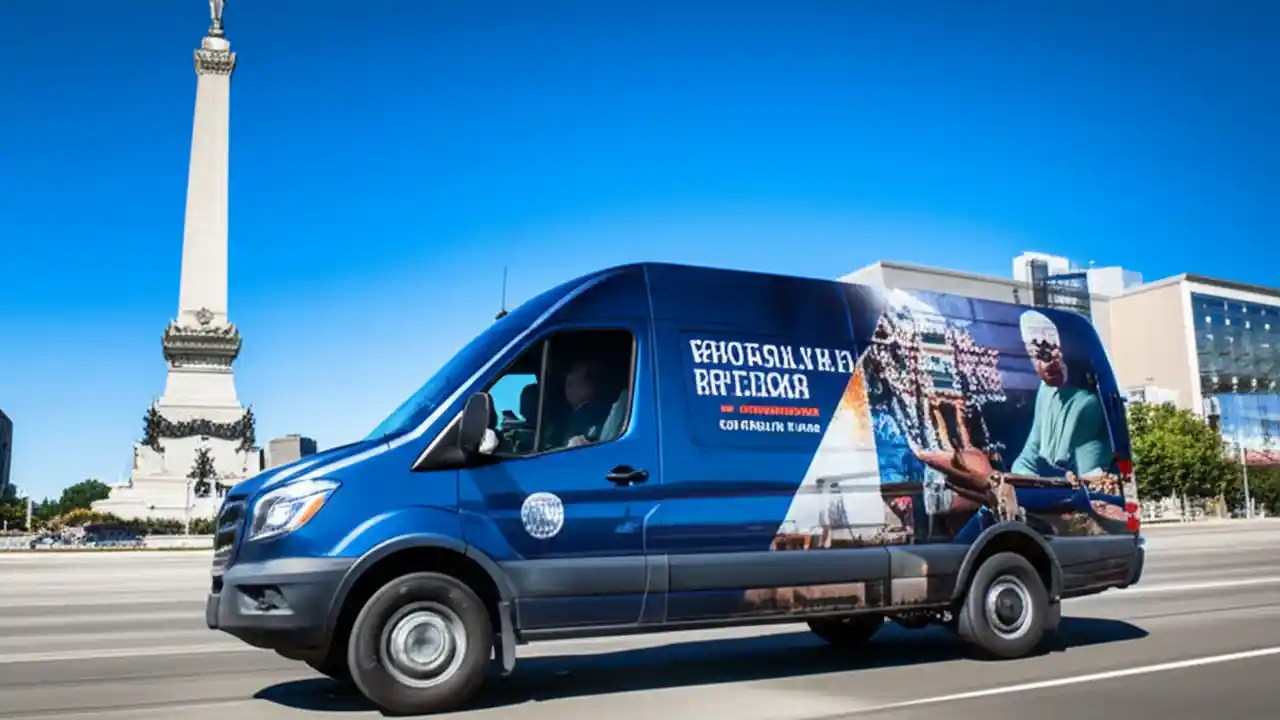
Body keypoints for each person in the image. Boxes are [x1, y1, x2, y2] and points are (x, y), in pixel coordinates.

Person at [1008, 310, 1111, 479]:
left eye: (1051, 351)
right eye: (1036, 355)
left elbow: (1086, 473)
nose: (1045, 364)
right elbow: (1030, 455)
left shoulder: (1087, 403)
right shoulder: (1046, 390)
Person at [556, 360, 613, 449]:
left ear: (591, 383)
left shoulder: (591, 413)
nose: (568, 389)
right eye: (567, 384)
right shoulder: (570, 413)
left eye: (571, 383)